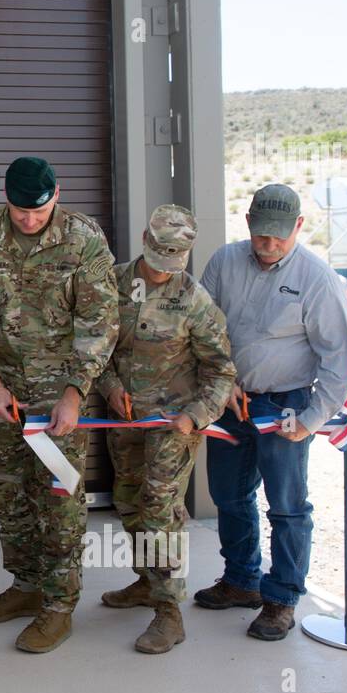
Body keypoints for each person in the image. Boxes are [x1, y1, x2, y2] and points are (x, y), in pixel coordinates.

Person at [0, 156, 118, 653]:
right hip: (6, 390)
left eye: (39, 209)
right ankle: (25, 586)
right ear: (5, 199)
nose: (29, 220)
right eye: (19, 211)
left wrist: (76, 392)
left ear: (57, 194)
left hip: (60, 394)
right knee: (8, 493)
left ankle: (58, 604)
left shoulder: (83, 239)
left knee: (58, 497)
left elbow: (100, 324)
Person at [197, 183, 347, 640]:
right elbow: (203, 331)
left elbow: (338, 360)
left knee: (286, 506)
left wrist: (310, 420)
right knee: (229, 495)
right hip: (230, 401)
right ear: (247, 223)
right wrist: (221, 384)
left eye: (279, 237)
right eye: (261, 235)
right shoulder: (224, 261)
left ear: (299, 227)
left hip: (285, 405)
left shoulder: (317, 279)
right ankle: (241, 580)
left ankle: (281, 598)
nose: (268, 245)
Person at [94, 205, 235, 653]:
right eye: (157, 260)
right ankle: (146, 582)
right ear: (144, 240)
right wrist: (110, 386)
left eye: (172, 263)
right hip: (124, 420)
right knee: (129, 503)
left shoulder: (194, 300)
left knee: (160, 510)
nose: (161, 272)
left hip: (173, 425)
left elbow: (221, 371)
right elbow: (93, 348)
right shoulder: (111, 283)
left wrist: (194, 416)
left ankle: (169, 612)